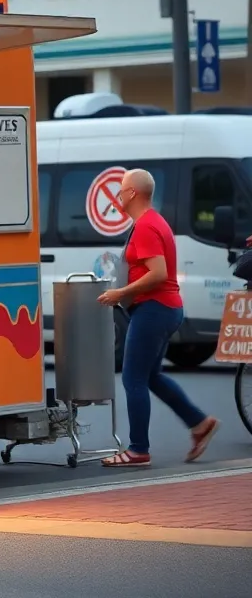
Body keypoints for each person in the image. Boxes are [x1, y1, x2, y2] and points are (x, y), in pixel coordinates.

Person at [97, 168, 220, 467]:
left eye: (122, 188)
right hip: (164, 308)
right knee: (151, 376)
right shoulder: (152, 222)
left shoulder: (146, 226)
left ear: (132, 194)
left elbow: (159, 273)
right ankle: (199, 423)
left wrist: (120, 292)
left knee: (133, 378)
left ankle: (138, 450)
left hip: (154, 309)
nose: (118, 194)